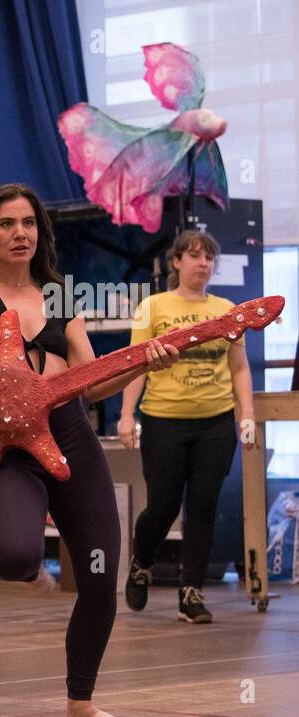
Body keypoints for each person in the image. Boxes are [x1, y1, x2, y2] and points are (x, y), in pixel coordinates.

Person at [0, 184, 178, 717]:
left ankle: (81, 701)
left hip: (69, 433)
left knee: (100, 574)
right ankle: (33, 571)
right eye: (6, 223)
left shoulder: (59, 294)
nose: (19, 232)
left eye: (28, 222)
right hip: (5, 444)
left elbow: (92, 383)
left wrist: (148, 363)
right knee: (11, 556)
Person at [119, 229, 256, 623]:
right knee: (162, 507)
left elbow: (239, 367)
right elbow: (136, 365)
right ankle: (142, 563)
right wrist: (128, 414)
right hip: (164, 421)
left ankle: (191, 593)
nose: (203, 264)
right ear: (176, 261)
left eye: (209, 257)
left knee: (203, 508)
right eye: (194, 256)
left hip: (214, 423)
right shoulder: (153, 307)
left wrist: (246, 414)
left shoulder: (228, 309)